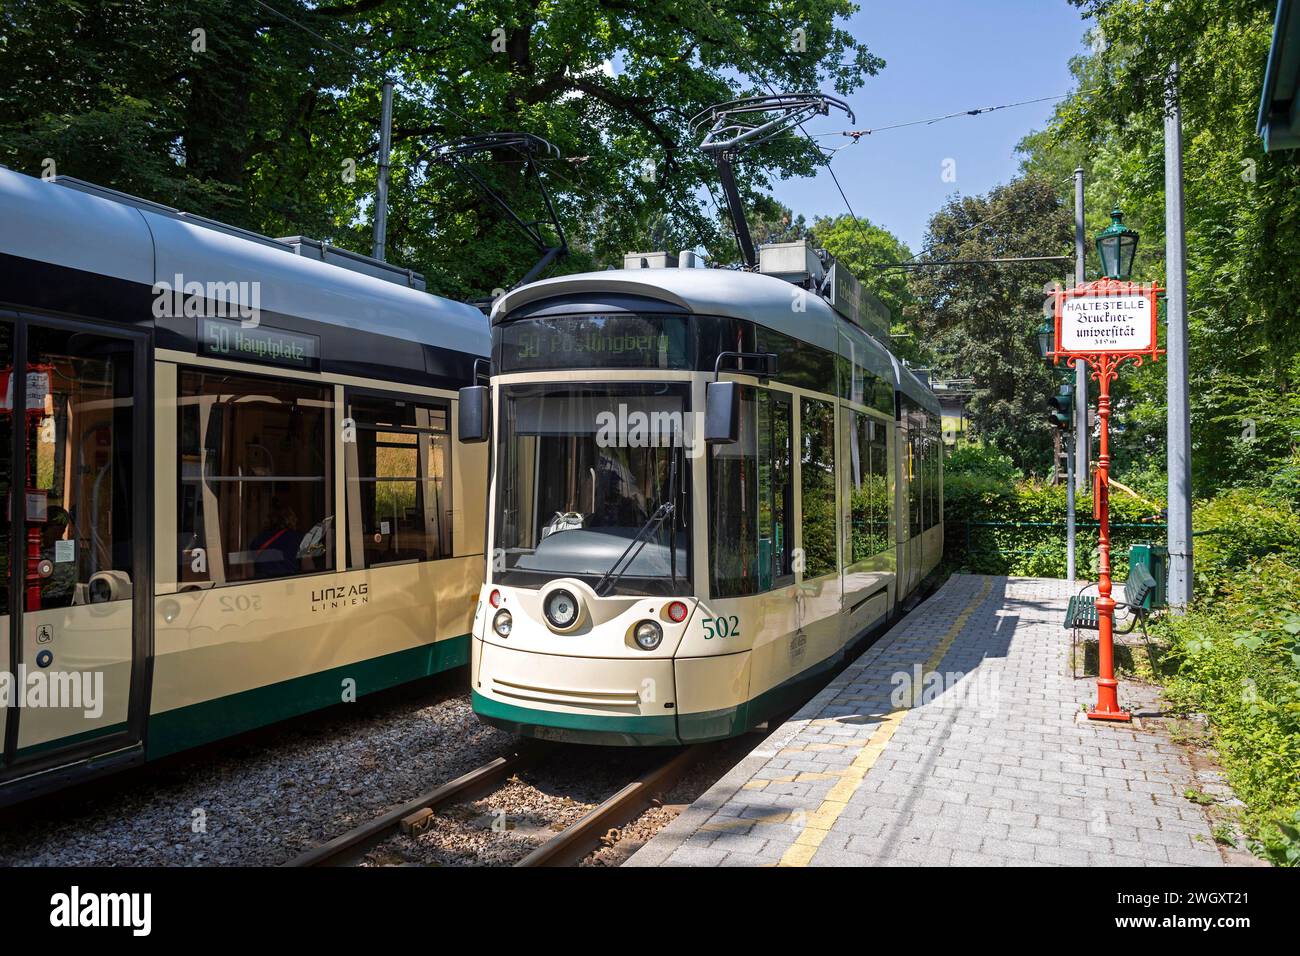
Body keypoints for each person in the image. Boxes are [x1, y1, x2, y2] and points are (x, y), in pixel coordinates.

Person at [250, 498, 305, 579]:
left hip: (264, 584)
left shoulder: (257, 540)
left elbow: (249, 571)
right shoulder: (300, 538)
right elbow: (308, 567)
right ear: (291, 519)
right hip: (290, 583)